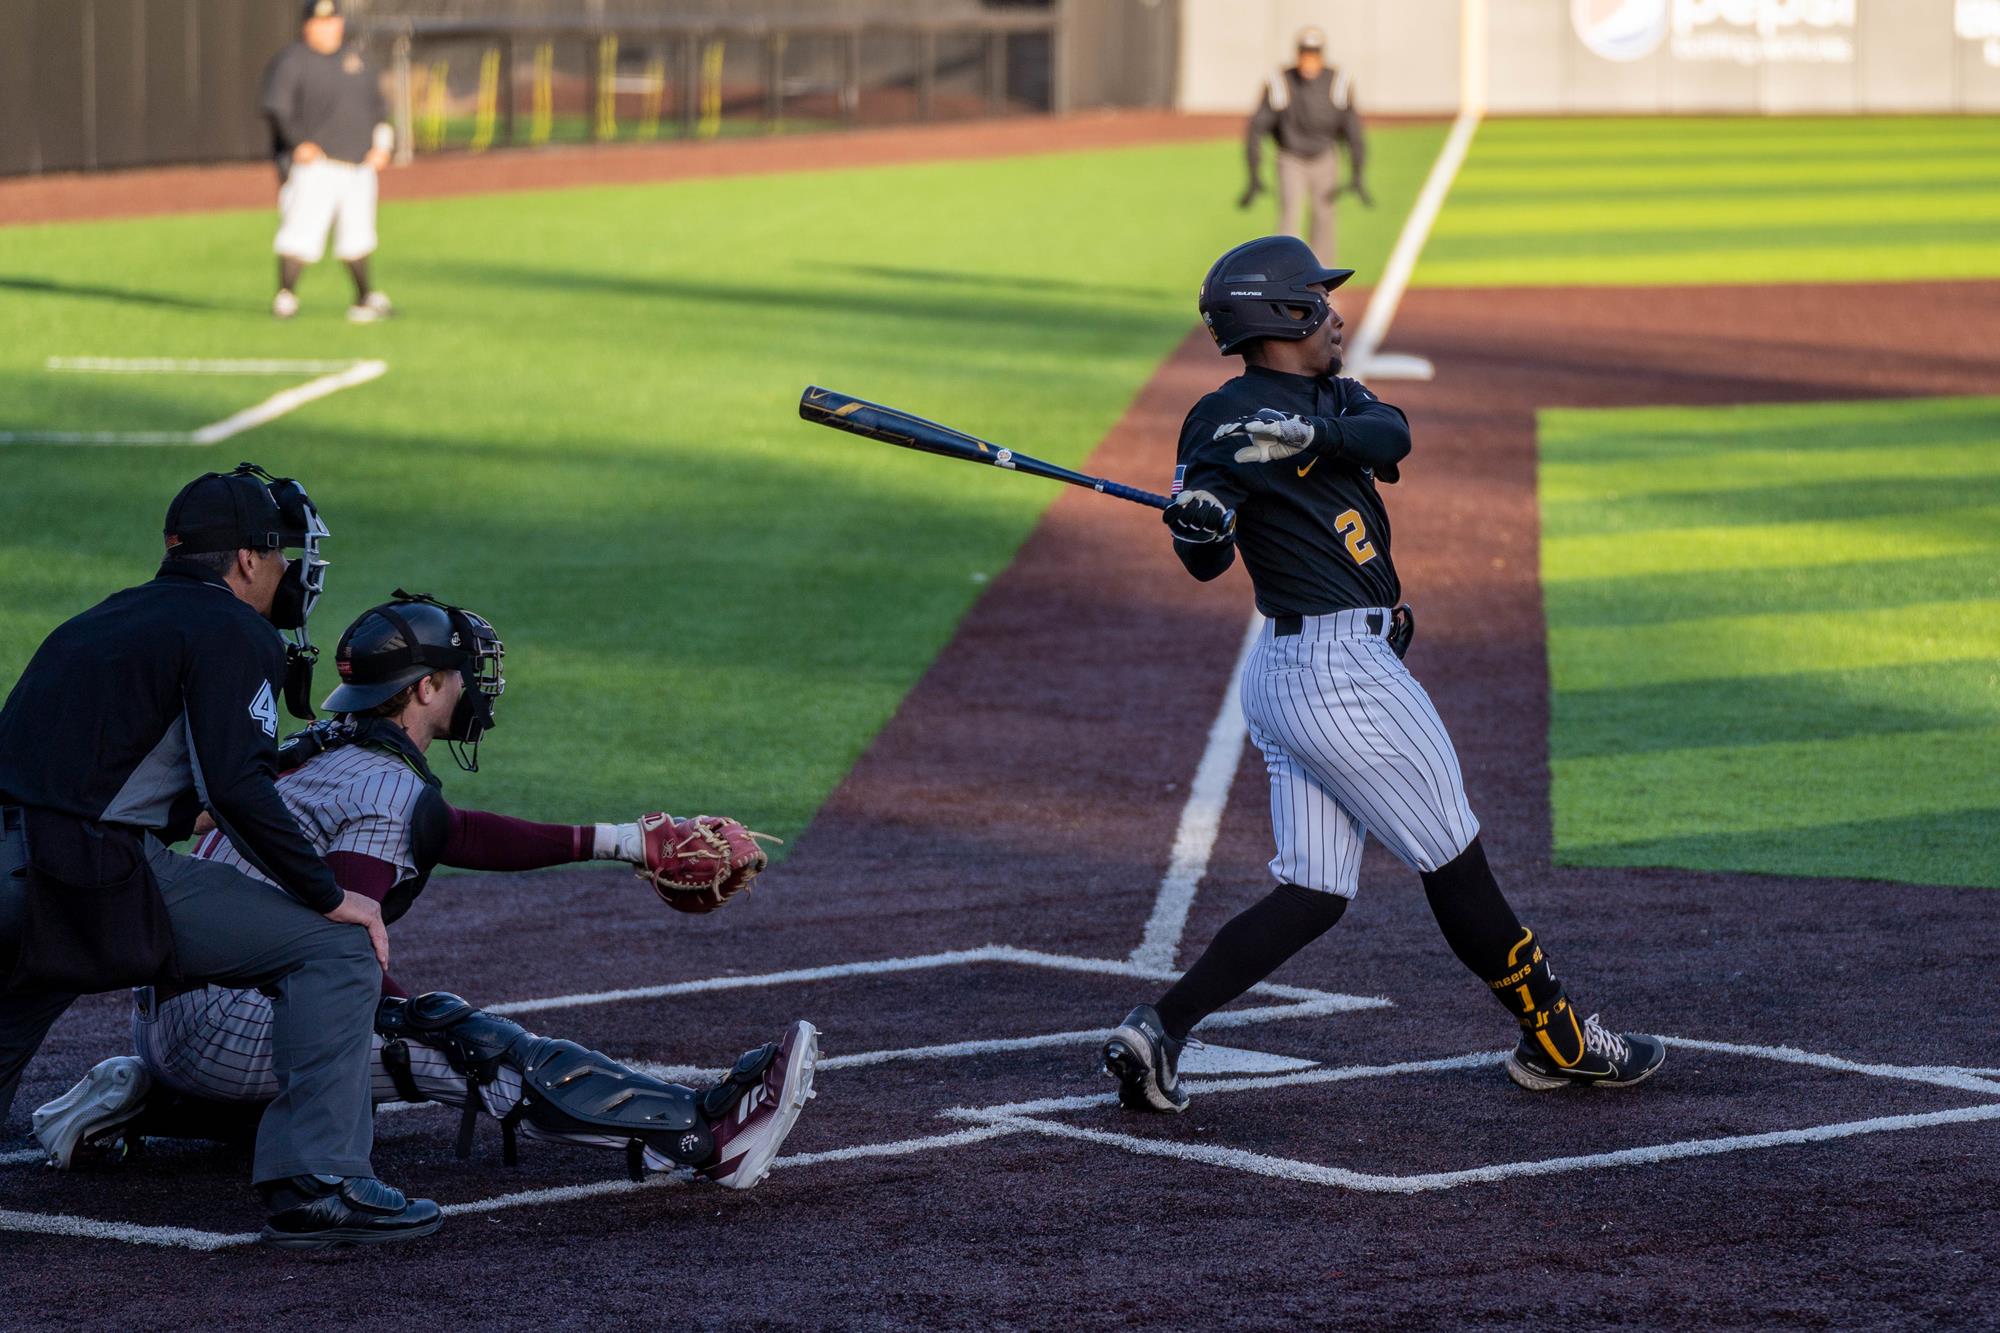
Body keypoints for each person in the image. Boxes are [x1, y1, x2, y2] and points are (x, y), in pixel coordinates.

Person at [1100, 236, 1666, 1113]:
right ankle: (1556, 1038)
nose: (1336, 315)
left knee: (1316, 889)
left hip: (1316, 673)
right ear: (1281, 315)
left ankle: (1158, 1029)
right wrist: (1204, 521)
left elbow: (1389, 432)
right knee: (1456, 861)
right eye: (1319, 303)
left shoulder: (1335, 396)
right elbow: (1202, 560)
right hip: (1334, 673)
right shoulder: (1220, 419)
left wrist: (1311, 436)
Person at [33, 591, 817, 1195]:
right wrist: (422, 1022)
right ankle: (707, 1134)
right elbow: (339, 940)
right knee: (459, 1044)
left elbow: (459, 832)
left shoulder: (327, 745)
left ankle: (144, 1099)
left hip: (173, 1014)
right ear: (425, 688)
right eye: (460, 675)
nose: (475, 687)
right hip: (229, 1023)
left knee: (360, 1088)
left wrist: (620, 841)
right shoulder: (385, 786)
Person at [0, 465, 441, 1248]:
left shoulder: (95, 620)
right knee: (335, 949)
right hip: (86, 873)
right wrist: (327, 892)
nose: (289, 572)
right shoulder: (235, 628)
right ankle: (320, 1180)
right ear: (246, 559)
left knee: (17, 1000)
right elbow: (237, 788)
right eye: (282, 555)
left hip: (19, 865)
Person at [262, 0, 395, 323]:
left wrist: (383, 146)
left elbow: (380, 110)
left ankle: (364, 298)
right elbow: (277, 110)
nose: (328, 27)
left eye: (332, 20)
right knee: (301, 231)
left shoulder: (357, 59)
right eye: (320, 22)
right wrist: (296, 143)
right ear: (307, 26)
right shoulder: (292, 62)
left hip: (359, 164)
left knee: (358, 234)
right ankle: (286, 297)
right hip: (317, 165)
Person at [1240, 27, 1370, 265]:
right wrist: (1253, 174)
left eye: (1314, 54)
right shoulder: (1281, 82)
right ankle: (1288, 278)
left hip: (1325, 157)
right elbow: (1257, 126)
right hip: (1291, 157)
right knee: (1289, 218)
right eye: (1305, 53)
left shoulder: (1337, 83)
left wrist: (1358, 171)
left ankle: (1322, 281)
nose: (1309, 60)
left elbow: (1352, 128)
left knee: (1324, 218)